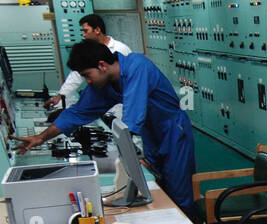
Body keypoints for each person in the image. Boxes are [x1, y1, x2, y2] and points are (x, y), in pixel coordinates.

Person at [13, 41, 196, 215]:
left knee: (179, 193)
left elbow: (133, 114)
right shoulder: (106, 84)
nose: (88, 81)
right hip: (151, 134)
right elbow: (77, 113)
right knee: (158, 187)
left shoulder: (137, 66)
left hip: (173, 131)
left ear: (102, 65)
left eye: (87, 75)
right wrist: (41, 138)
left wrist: (131, 154)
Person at [46, 14, 131, 109]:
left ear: (97, 30)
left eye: (86, 31)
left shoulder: (121, 49)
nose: (83, 34)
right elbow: (75, 76)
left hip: (121, 103)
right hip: (101, 99)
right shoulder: (88, 51)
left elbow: (131, 78)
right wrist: (60, 96)